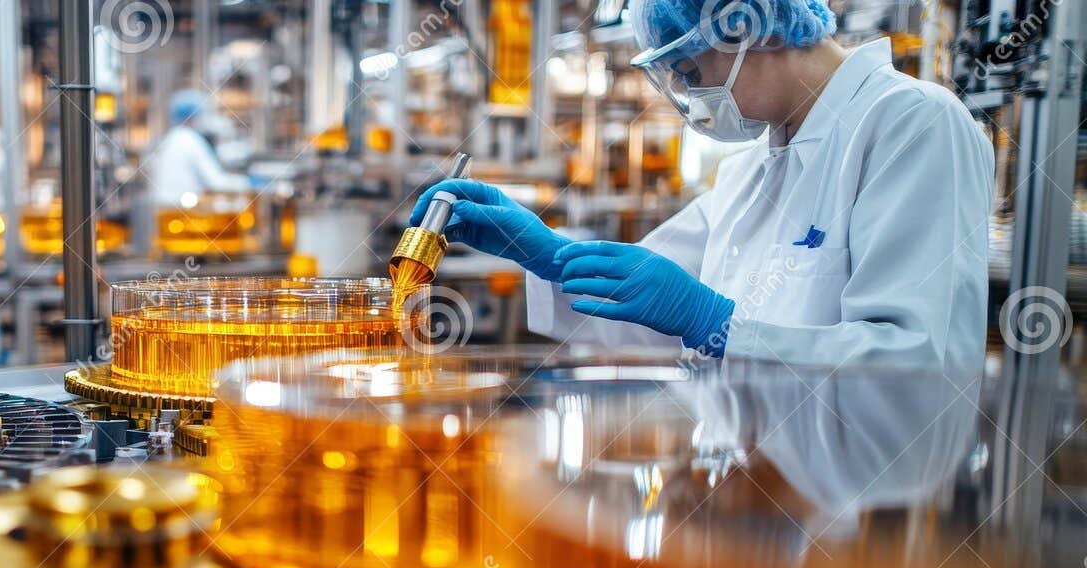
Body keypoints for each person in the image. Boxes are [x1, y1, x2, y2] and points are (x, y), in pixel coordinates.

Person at [410, 0, 994, 376]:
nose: (693, 99)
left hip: (856, 517)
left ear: (748, 25)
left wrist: (713, 321)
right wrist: (547, 256)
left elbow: (914, 364)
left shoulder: (913, 125)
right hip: (745, 499)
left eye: (691, 73)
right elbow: (643, 311)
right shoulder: (750, 170)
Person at [147, 90, 255, 207]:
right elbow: (215, 182)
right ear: (195, 116)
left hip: (163, 209)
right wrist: (247, 182)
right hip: (183, 209)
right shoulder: (191, 140)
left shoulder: (171, 138)